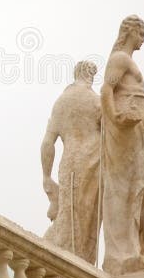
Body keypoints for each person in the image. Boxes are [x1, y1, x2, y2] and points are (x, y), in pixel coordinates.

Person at [99, 15, 144, 275]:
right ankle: (123, 253)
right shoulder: (120, 59)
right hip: (125, 130)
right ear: (130, 33)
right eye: (141, 33)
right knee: (123, 188)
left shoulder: (128, 61)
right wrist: (116, 117)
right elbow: (106, 90)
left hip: (139, 132)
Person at [41, 61, 102, 264]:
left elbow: (47, 143)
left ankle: (60, 258)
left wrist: (46, 175)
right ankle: (76, 267)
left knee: (68, 215)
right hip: (92, 163)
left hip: (68, 165)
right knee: (86, 222)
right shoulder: (95, 101)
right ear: (90, 75)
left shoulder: (61, 102)